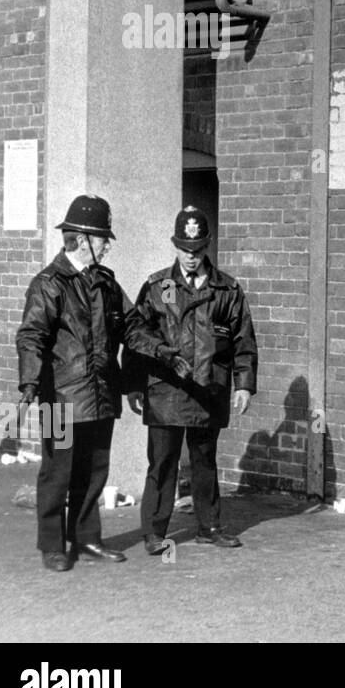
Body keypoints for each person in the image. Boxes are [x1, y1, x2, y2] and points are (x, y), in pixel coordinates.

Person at [124, 206, 257, 553]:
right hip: (166, 389)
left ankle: (209, 526)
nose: (192, 257)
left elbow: (243, 341)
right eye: (185, 250)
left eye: (197, 250)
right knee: (163, 462)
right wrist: (135, 384)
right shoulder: (160, 287)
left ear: (207, 246)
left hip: (208, 389)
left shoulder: (226, 290)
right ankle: (154, 533)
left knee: (204, 461)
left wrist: (243, 384)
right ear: (176, 247)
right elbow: (138, 336)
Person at [16, 194, 132, 571]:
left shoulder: (105, 283)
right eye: (102, 238)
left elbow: (132, 326)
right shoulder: (49, 284)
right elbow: (31, 335)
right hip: (57, 400)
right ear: (81, 240)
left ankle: (86, 539)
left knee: (94, 470)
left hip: (99, 396)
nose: (107, 245)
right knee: (57, 472)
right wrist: (30, 383)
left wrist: (163, 350)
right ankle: (53, 545)